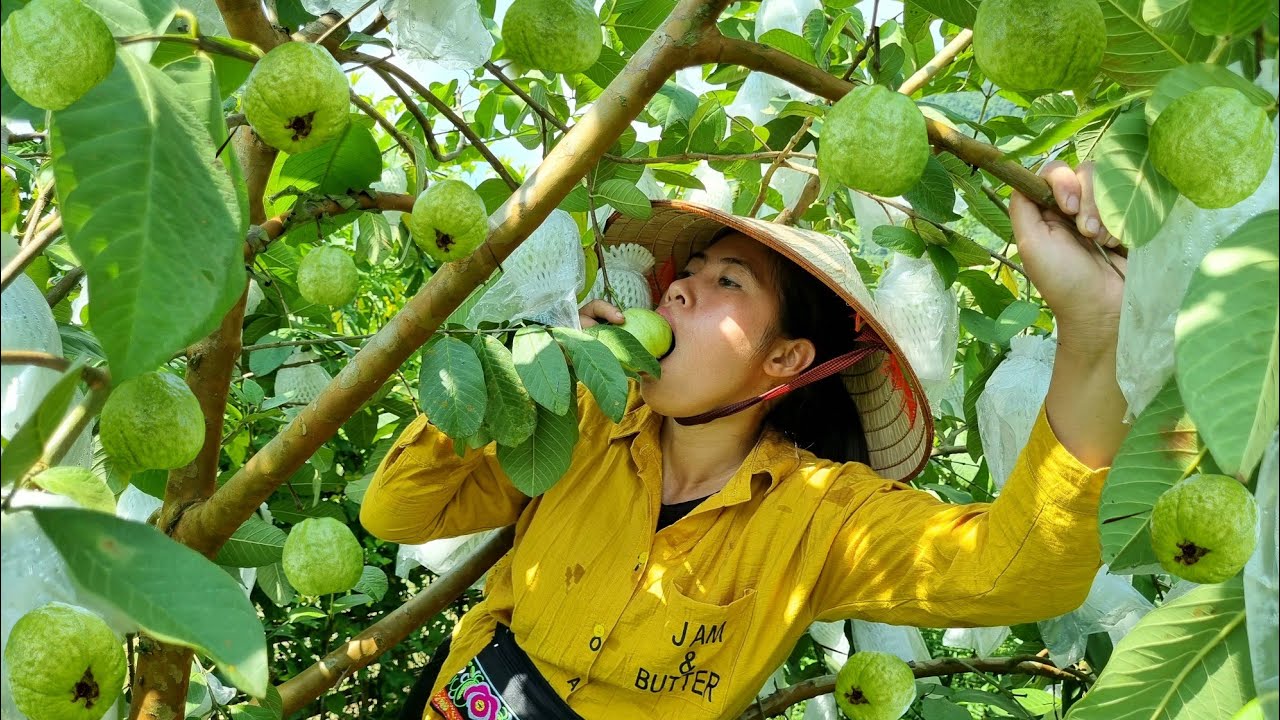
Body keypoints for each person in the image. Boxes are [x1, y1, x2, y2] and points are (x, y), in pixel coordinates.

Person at [364, 161, 1129, 720]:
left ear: (785, 360)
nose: (677, 289)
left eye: (727, 281)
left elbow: (1022, 571)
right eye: (686, 273)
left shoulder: (821, 517)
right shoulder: (585, 421)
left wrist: (1091, 327)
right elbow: (398, 512)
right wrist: (518, 378)